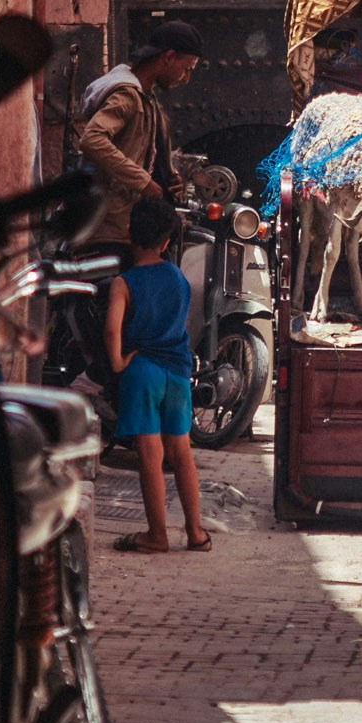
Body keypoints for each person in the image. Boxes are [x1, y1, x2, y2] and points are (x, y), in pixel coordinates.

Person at [104, 191, 211, 555]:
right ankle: (196, 532)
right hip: (177, 371)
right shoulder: (179, 279)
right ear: (167, 242)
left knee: (150, 456)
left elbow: (112, 330)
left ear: (130, 231)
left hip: (142, 371)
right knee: (181, 453)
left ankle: (157, 535)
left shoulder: (124, 283)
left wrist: (118, 362)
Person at [76, 19, 202, 247]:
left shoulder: (147, 98)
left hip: (128, 229)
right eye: (187, 69)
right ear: (168, 57)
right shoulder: (127, 96)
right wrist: (145, 183)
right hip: (110, 229)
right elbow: (92, 140)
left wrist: (169, 176)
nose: (186, 78)